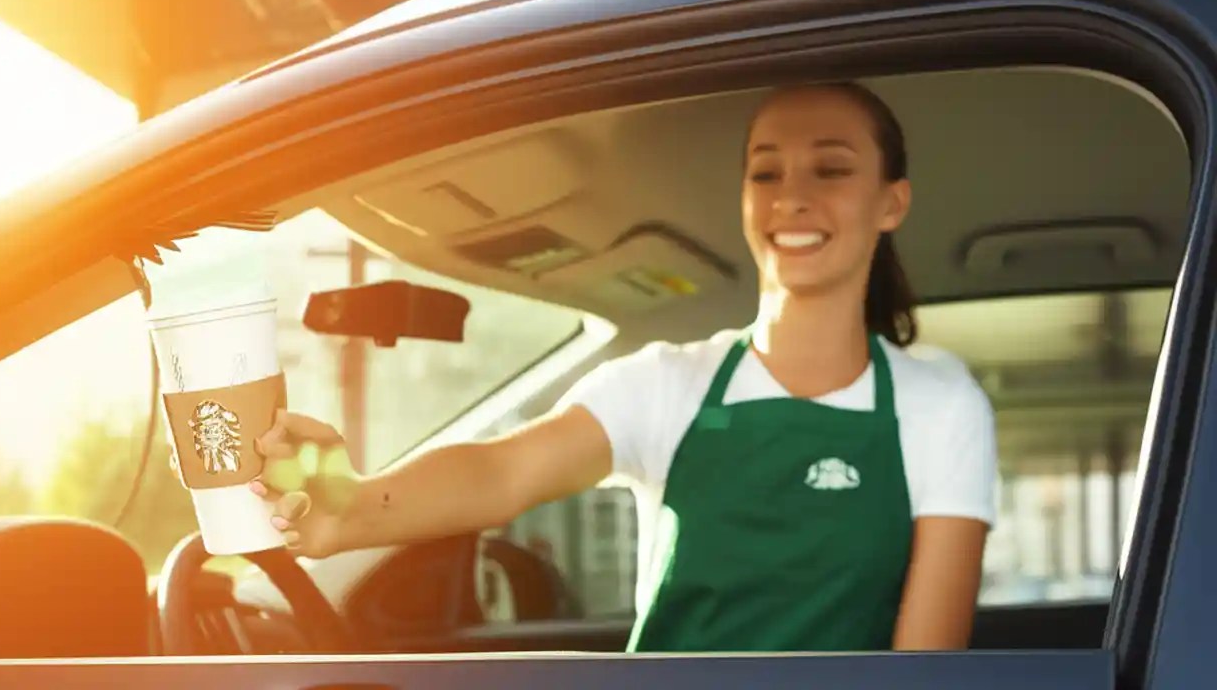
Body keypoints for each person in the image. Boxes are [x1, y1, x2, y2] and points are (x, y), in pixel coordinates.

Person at [249, 81, 997, 653]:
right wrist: (349, 502)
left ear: (891, 203)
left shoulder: (940, 406)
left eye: (831, 170)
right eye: (766, 175)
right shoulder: (666, 384)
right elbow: (500, 474)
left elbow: (924, 669)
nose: (792, 199)